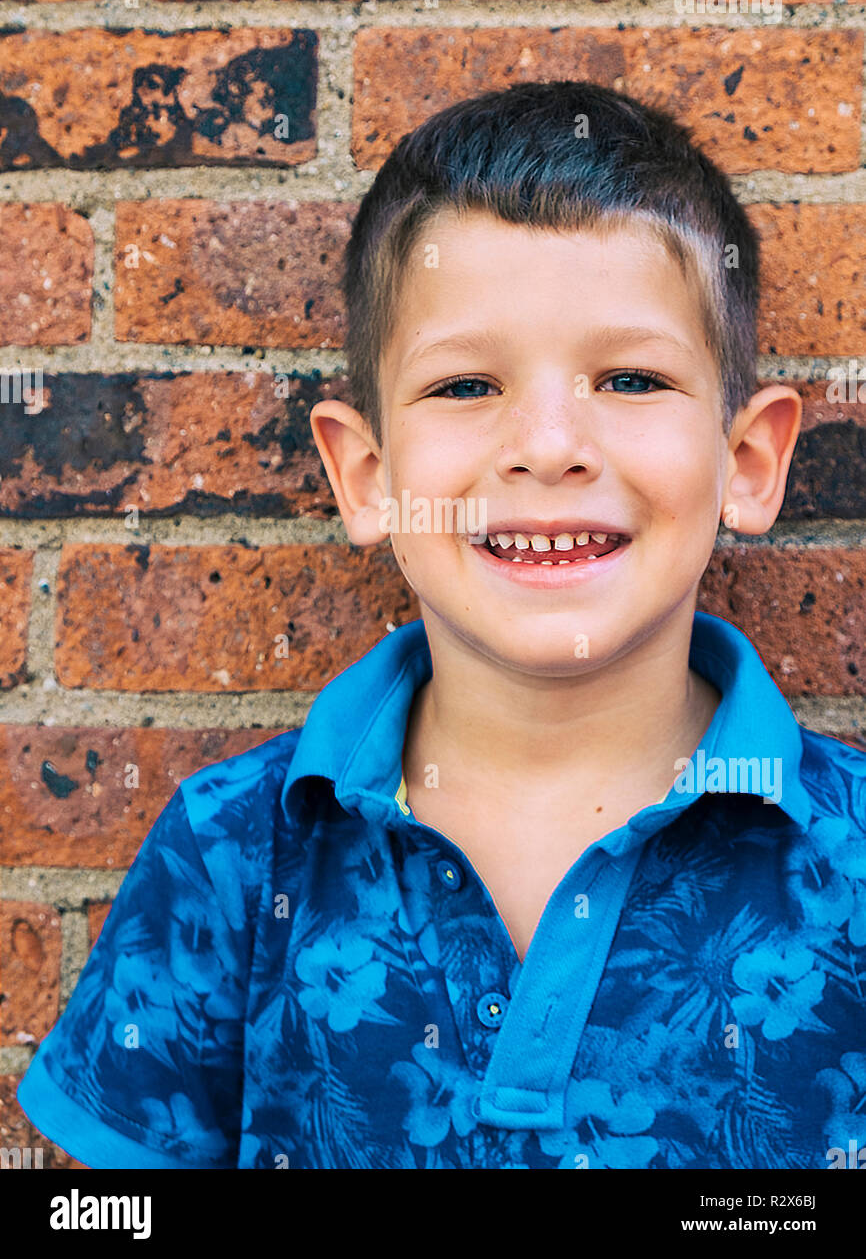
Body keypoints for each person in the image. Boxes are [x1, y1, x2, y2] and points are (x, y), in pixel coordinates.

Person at [17, 80, 866, 1169]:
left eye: (629, 377)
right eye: (465, 385)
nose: (547, 445)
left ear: (745, 463)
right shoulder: (232, 851)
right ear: (366, 476)